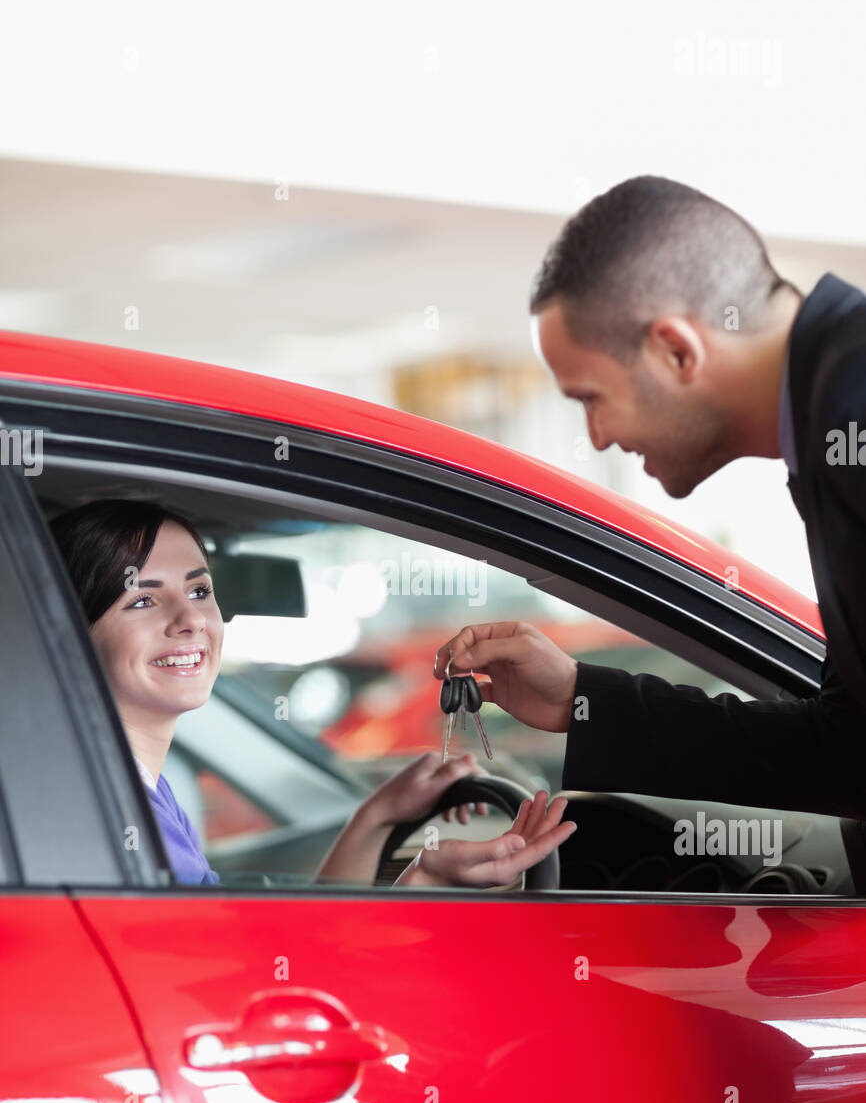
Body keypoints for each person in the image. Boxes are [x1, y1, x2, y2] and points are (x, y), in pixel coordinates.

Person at [434, 175, 866, 821]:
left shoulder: (851, 408)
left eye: (590, 399)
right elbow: (848, 750)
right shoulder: (831, 414)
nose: (597, 438)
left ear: (676, 351)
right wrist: (581, 701)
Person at [49, 499, 574, 887]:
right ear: (68, 630)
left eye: (199, 590)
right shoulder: (117, 817)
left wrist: (376, 816)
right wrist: (422, 884)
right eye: (142, 601)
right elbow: (252, 994)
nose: (190, 620)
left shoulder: (129, 788)